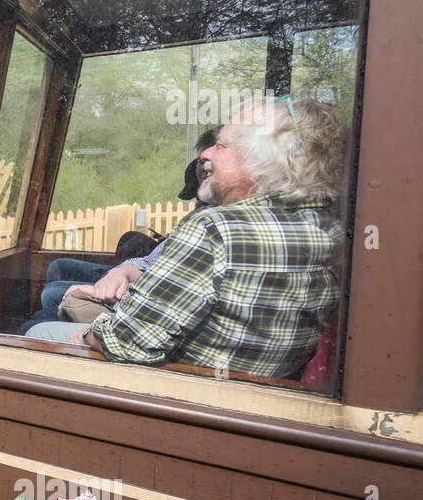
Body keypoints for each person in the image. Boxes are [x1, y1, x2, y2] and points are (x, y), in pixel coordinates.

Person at [26, 96, 345, 379]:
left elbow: (128, 341)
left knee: (36, 329)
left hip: (181, 384)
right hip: (256, 387)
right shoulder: (330, 229)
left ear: (261, 158)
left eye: (221, 145)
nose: (206, 153)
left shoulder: (216, 228)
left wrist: (86, 335)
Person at [17, 126, 218, 334]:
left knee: (45, 306)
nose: (204, 165)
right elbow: (150, 266)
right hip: (130, 287)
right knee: (58, 268)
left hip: (132, 309)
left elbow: (165, 300)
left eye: (211, 162)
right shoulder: (198, 217)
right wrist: (120, 272)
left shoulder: (214, 226)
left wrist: (106, 293)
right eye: (201, 161)